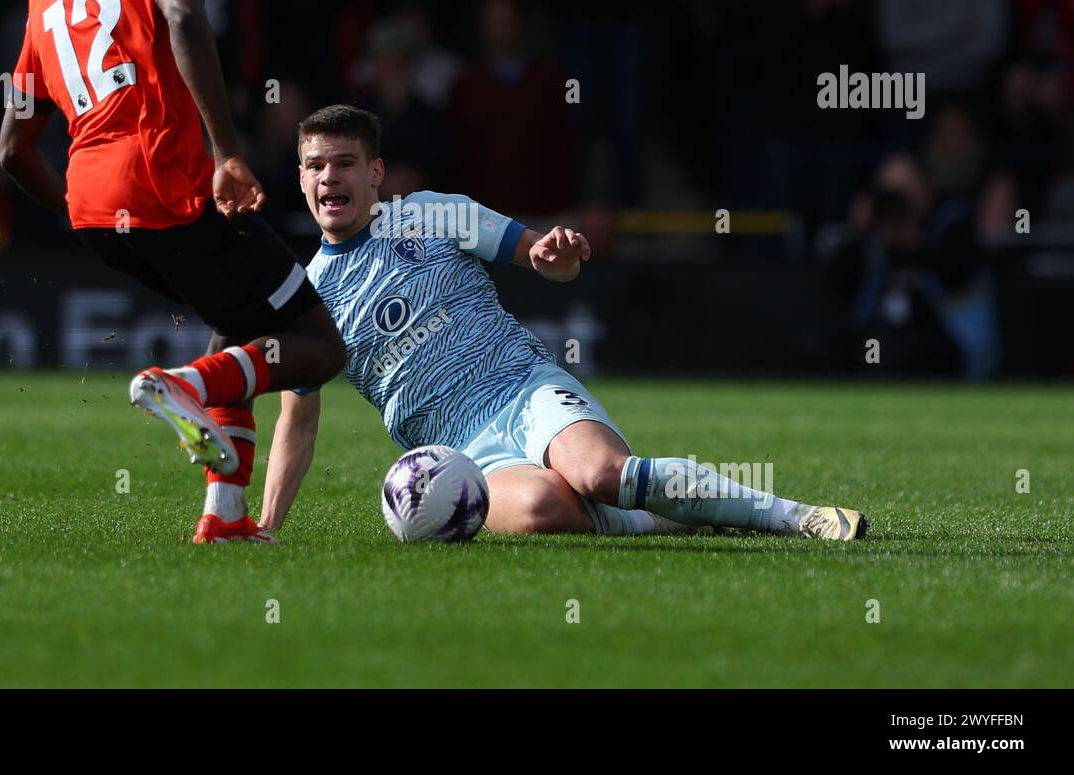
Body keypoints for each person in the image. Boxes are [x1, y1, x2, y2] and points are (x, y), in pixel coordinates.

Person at [260, 105, 867, 541]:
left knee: (598, 474)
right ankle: (653, 514)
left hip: (521, 388)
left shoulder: (429, 214)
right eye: (315, 166)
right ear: (302, 179)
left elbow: (545, 261)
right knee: (540, 511)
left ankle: (795, 516)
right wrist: (265, 526)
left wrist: (558, 256)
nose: (328, 177)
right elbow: (297, 425)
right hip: (457, 452)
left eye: (344, 163)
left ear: (374, 173)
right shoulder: (310, 298)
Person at [0, 0, 345, 544]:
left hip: (97, 205)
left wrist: (75, 209)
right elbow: (186, 18)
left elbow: (12, 149)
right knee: (318, 345)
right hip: (165, 182)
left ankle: (224, 516)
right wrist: (227, 153)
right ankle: (184, 386)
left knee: (237, 327)